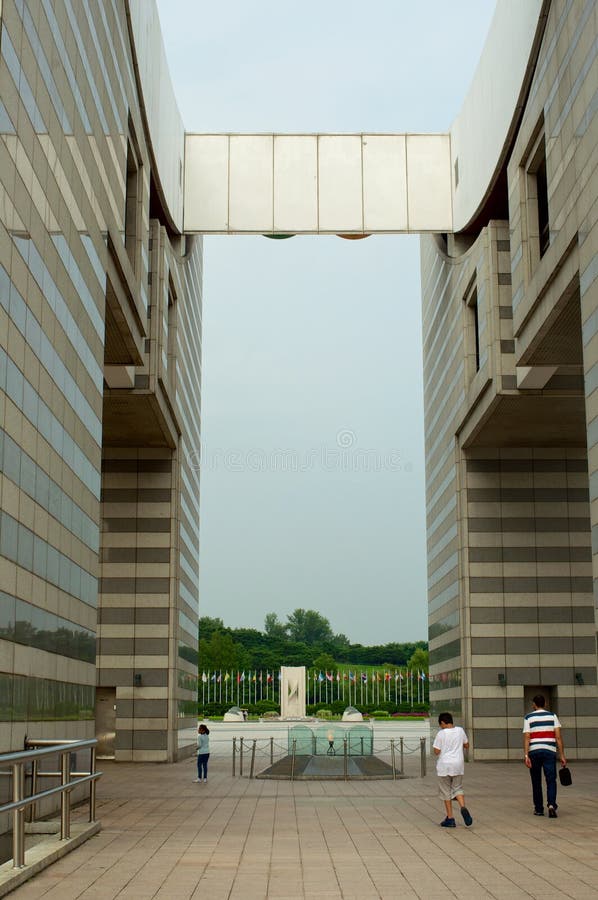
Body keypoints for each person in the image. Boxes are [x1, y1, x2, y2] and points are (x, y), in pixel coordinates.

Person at [523, 695, 566, 818]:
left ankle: (539, 809)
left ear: (534, 704)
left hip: (534, 752)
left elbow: (527, 737)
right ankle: (551, 805)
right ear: (545, 703)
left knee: (536, 781)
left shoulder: (528, 717)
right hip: (549, 751)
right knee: (551, 780)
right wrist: (562, 755)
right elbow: (558, 737)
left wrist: (526, 755)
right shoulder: (553, 716)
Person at [433, 712, 473, 828]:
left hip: (444, 766)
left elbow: (436, 751)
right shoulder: (460, 731)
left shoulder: (441, 734)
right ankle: (462, 807)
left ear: (443, 723)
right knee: (457, 788)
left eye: (441, 724)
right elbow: (467, 745)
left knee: (446, 792)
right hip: (458, 765)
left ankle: (450, 818)